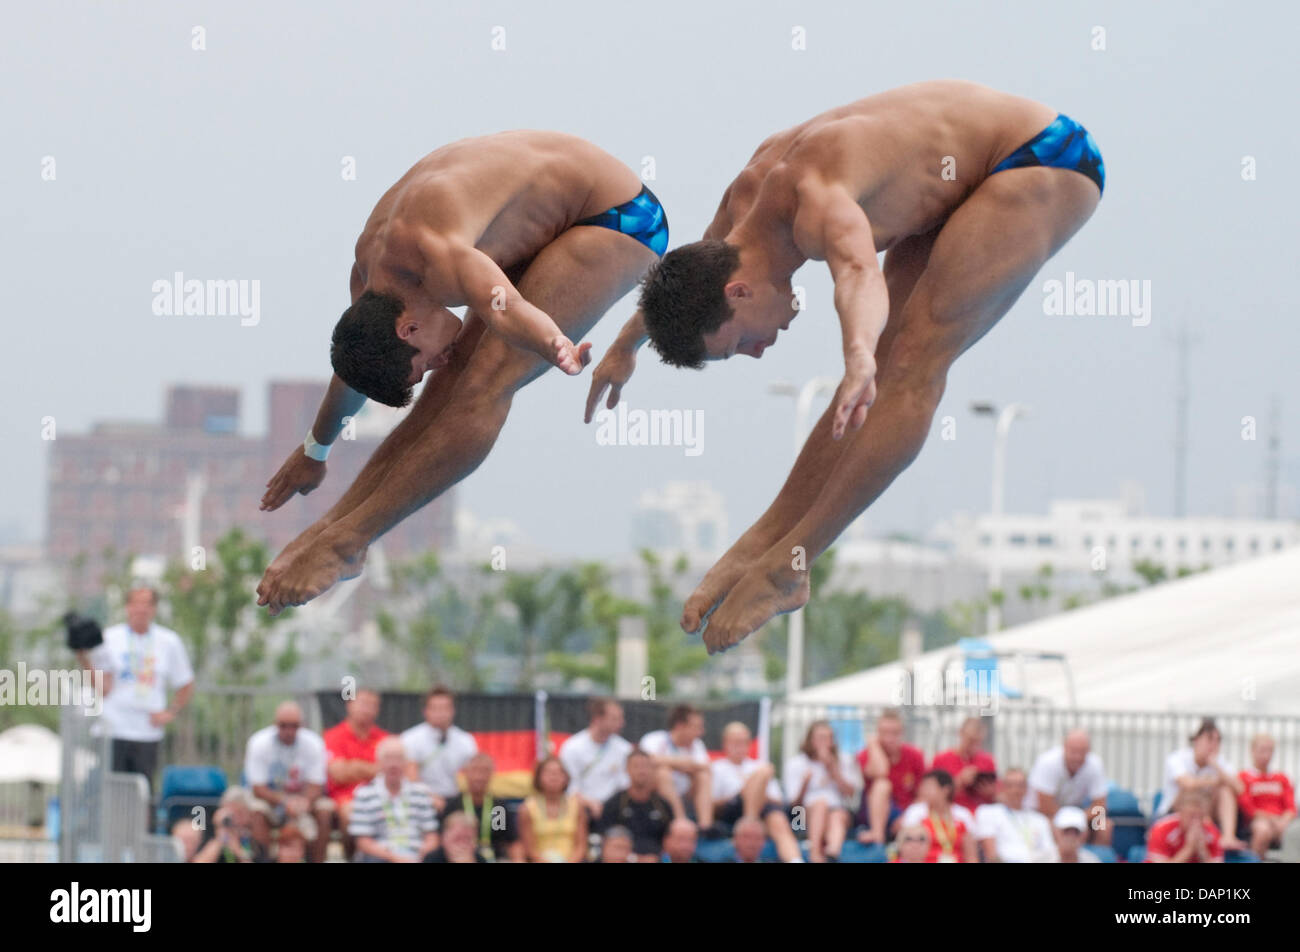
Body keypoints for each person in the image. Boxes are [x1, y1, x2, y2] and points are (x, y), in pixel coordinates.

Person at [589, 81, 1102, 652]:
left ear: (738, 293)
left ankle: (791, 564)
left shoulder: (818, 202)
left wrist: (858, 352)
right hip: (962, 181)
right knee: (880, 370)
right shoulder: (741, 212)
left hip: (1042, 158)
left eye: (739, 345)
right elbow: (677, 277)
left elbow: (859, 274)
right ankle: (766, 537)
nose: (759, 351)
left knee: (907, 361)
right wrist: (626, 343)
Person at [256, 132, 666, 614]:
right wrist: (315, 449)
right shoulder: (373, 286)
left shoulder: (439, 256)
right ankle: (332, 533)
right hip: (531, 226)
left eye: (421, 364)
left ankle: (346, 542)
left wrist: (556, 346)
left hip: (617, 216)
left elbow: (506, 308)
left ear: (408, 328)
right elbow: (360, 360)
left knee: (481, 384)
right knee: (445, 392)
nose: (434, 365)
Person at [75, 585, 194, 792]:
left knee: (142, 792)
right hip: (112, 728)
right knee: (110, 792)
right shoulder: (109, 638)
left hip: (147, 732)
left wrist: (171, 712)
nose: (141, 609)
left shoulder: (169, 641)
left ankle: (141, 826)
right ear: (127, 607)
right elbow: (104, 687)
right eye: (136, 603)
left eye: (147, 604)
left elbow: (185, 682)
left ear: (154, 608)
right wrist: (83, 658)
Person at [244, 700, 335, 863]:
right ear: (275, 724)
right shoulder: (259, 743)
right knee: (256, 810)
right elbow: (258, 788)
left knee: (325, 810)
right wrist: (285, 801)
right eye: (283, 725)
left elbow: (316, 785)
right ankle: (264, 860)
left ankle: (317, 860)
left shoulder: (313, 743)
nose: (289, 731)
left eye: (294, 726)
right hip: (271, 801)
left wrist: (304, 802)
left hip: (304, 800)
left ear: (301, 725)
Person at [710, 722, 801, 862]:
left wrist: (756, 793)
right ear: (725, 743)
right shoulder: (717, 768)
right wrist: (744, 792)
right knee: (766, 770)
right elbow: (711, 804)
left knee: (778, 819)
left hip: (763, 809)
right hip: (731, 809)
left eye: (744, 742)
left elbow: (778, 800)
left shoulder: (756, 765)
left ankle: (795, 860)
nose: (740, 746)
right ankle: (750, 822)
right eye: (736, 742)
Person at [1155, 718, 1245, 850]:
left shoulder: (1219, 762)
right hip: (1175, 811)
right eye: (1209, 739)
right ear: (1196, 740)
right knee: (1192, 791)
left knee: (1225, 790)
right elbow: (1187, 783)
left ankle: (1228, 837)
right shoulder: (1177, 758)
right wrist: (1214, 781)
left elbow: (1240, 788)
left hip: (1206, 815)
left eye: (1218, 740)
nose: (1214, 745)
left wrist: (1215, 766)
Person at [348, 737, 439, 862]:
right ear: (379, 762)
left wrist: (423, 853)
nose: (393, 764)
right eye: (388, 758)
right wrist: (395, 858)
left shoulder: (420, 793)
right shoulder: (364, 793)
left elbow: (432, 836)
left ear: (406, 763)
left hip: (416, 853)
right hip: (381, 854)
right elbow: (362, 842)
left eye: (398, 759)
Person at [782, 720, 856, 862]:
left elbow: (850, 794)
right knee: (821, 804)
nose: (825, 742)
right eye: (821, 738)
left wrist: (833, 769)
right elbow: (794, 804)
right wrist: (805, 783)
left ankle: (832, 852)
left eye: (828, 738)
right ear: (810, 740)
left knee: (837, 816)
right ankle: (815, 853)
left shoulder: (843, 761)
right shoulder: (796, 763)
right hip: (802, 815)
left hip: (837, 811)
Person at [399, 685, 478, 811]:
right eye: (435, 708)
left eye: (445, 708)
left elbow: (472, 776)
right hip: (419, 801)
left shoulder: (466, 740)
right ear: (425, 711)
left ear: (453, 710)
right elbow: (410, 777)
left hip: (456, 801)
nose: (441, 713)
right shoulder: (409, 739)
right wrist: (430, 798)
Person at [855, 708, 926, 844]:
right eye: (884, 733)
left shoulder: (915, 755)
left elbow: (923, 793)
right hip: (872, 813)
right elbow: (881, 771)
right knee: (882, 784)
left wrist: (906, 817)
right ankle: (878, 834)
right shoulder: (867, 754)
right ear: (878, 733)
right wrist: (873, 744)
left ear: (902, 733)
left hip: (904, 813)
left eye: (894, 733)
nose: (889, 738)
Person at [322, 689, 389, 833]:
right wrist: (375, 769)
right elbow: (338, 774)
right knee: (354, 813)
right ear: (349, 705)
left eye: (373, 705)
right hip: (346, 799)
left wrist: (353, 767)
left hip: (382, 796)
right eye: (363, 704)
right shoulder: (333, 736)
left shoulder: (385, 738)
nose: (367, 709)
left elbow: (394, 771)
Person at [1027, 729, 1110, 844]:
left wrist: (1077, 819)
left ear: (1088, 751)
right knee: (1052, 826)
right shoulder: (1047, 762)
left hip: (1078, 814)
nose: (1077, 757)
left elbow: (1100, 806)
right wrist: (1070, 821)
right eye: (1073, 751)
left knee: (1104, 826)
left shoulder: (1095, 764)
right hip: (1045, 814)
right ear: (1064, 747)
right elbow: (1045, 806)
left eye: (1082, 752)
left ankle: (1099, 857)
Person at [639, 704, 715, 829]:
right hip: (656, 795)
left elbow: (706, 767)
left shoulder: (697, 745)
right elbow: (646, 761)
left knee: (703, 776)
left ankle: (705, 826)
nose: (701, 732)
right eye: (696, 727)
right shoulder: (654, 739)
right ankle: (681, 822)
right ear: (680, 726)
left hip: (687, 794)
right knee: (663, 773)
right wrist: (682, 764)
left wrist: (673, 763)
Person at [558, 697, 633, 821]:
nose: (622, 723)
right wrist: (590, 804)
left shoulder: (624, 749)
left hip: (616, 810)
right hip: (581, 810)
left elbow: (625, 784)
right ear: (597, 719)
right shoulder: (572, 747)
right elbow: (569, 786)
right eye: (615, 719)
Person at [440, 753, 523, 862]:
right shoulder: (453, 805)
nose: (479, 777)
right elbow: (443, 840)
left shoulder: (498, 808)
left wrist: (518, 860)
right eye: (474, 770)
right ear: (465, 773)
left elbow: (511, 841)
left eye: (484, 771)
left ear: (491, 774)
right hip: (458, 856)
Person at [600, 750, 674, 862]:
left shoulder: (662, 805)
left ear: (652, 770)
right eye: (636, 766)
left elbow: (670, 840)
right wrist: (634, 859)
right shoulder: (614, 804)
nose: (641, 771)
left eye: (645, 766)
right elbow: (606, 844)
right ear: (626, 770)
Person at [975, 768, 1058, 863]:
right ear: (1002, 788)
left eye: (1020, 786)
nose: (1015, 790)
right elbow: (991, 855)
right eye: (1010, 785)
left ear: (1026, 789)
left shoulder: (1039, 819)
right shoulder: (988, 812)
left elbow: (1050, 853)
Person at [898, 769, 978, 863]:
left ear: (945, 790)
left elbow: (971, 855)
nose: (923, 791)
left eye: (929, 787)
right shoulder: (916, 812)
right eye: (923, 787)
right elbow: (906, 850)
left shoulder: (963, 815)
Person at [1237, 733, 1296, 859]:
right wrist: (1273, 820)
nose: (1266, 755)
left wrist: (1283, 820)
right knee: (1262, 830)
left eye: (1270, 750)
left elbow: (1291, 807)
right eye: (1262, 750)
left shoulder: (1281, 778)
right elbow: (1248, 808)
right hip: (1258, 822)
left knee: (1293, 831)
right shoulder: (1244, 777)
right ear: (1252, 751)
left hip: (1281, 821)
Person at [518, 757, 587, 863]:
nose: (554, 777)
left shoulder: (577, 806)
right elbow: (529, 849)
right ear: (538, 777)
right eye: (549, 773)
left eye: (559, 773)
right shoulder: (527, 808)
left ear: (566, 778)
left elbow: (581, 846)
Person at [931, 717, 998, 813]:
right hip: (951, 813)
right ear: (960, 733)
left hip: (980, 814)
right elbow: (931, 793)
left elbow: (997, 794)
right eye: (970, 740)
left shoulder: (988, 761)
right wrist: (959, 782)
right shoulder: (942, 759)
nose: (974, 745)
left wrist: (990, 792)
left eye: (978, 742)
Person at [1146, 789, 1224, 864]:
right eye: (1191, 815)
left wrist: (1202, 851)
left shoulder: (1212, 831)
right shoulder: (1161, 828)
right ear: (1181, 812)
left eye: (1200, 816)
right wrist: (1188, 849)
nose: (1195, 821)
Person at [193, 787, 264, 864]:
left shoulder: (251, 838)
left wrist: (237, 850)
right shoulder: (213, 833)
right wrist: (220, 836)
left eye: (239, 813)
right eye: (230, 813)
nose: (235, 819)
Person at [422, 811, 487, 864]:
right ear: (444, 838)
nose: (462, 845)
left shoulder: (479, 859)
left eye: (468, 840)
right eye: (457, 839)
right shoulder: (432, 858)